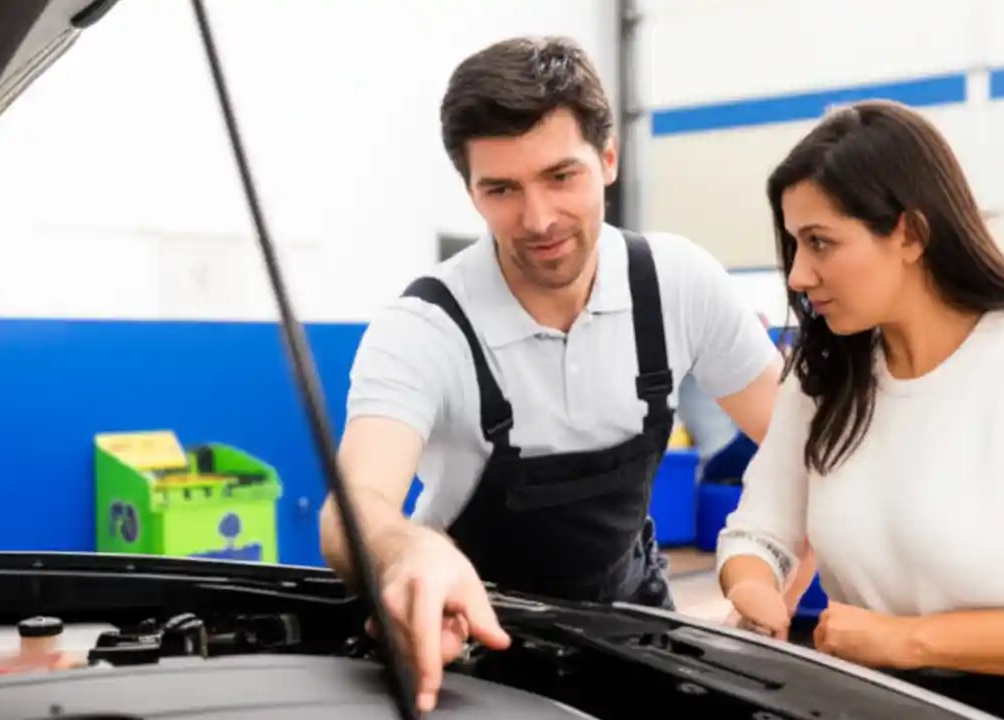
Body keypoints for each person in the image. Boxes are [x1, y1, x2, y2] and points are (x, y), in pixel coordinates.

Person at [318, 35, 800, 713]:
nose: (538, 218)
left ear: (608, 159)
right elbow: (356, 505)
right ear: (470, 190)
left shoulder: (677, 284)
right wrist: (403, 553)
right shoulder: (424, 327)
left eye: (559, 176)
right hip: (472, 648)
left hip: (635, 632)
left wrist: (767, 589)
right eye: (502, 189)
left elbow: (804, 457)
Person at [716, 98, 1004, 719]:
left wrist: (906, 640)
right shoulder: (827, 378)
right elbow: (759, 531)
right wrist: (753, 584)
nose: (797, 275)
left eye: (820, 242)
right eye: (794, 244)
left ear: (910, 233)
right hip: (895, 702)